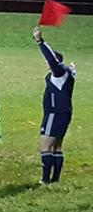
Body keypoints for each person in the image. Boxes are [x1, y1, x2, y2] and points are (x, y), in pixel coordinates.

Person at [33, 27, 76, 184]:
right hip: (64, 113)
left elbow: (51, 60)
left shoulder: (59, 72)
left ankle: (45, 180)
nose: (46, 64)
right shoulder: (65, 74)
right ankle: (55, 180)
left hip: (54, 113)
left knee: (45, 145)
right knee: (57, 147)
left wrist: (40, 41)